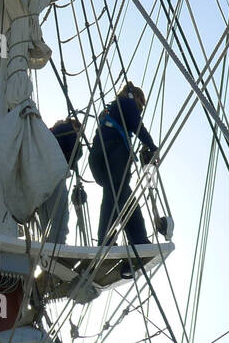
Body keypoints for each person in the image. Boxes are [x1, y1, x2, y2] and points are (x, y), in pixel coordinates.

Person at [89, 84, 158, 251]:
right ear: (134, 95)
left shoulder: (113, 108)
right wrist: (152, 146)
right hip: (113, 152)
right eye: (141, 102)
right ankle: (120, 240)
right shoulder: (127, 102)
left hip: (100, 157)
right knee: (118, 194)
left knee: (121, 196)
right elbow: (137, 125)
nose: (141, 108)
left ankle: (134, 239)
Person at [37, 116, 83, 246]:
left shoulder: (53, 132)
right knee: (60, 213)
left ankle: (47, 248)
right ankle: (58, 247)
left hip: (39, 177)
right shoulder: (68, 129)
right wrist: (78, 139)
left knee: (46, 219)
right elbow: (77, 153)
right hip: (54, 175)